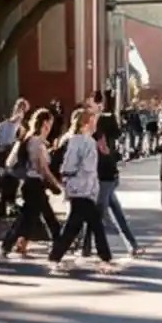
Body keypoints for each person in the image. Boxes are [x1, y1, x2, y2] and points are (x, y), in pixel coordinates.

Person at [48, 109, 114, 272]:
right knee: (95, 223)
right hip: (81, 188)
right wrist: (73, 176)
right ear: (85, 123)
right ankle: (105, 257)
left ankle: (55, 256)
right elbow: (72, 164)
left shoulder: (81, 140)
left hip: (81, 188)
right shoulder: (82, 141)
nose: (94, 125)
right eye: (92, 121)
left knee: (74, 225)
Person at [1, 108, 62, 257]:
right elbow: (43, 168)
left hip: (32, 184)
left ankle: (12, 243)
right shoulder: (36, 142)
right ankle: (60, 241)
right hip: (34, 184)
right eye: (50, 123)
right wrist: (56, 184)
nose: (50, 128)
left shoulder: (33, 140)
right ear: (45, 123)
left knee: (29, 217)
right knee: (46, 216)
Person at [80, 111, 141, 257]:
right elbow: (109, 155)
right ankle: (131, 245)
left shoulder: (98, 137)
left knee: (99, 215)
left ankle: (88, 247)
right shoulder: (105, 137)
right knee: (108, 214)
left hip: (103, 179)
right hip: (108, 178)